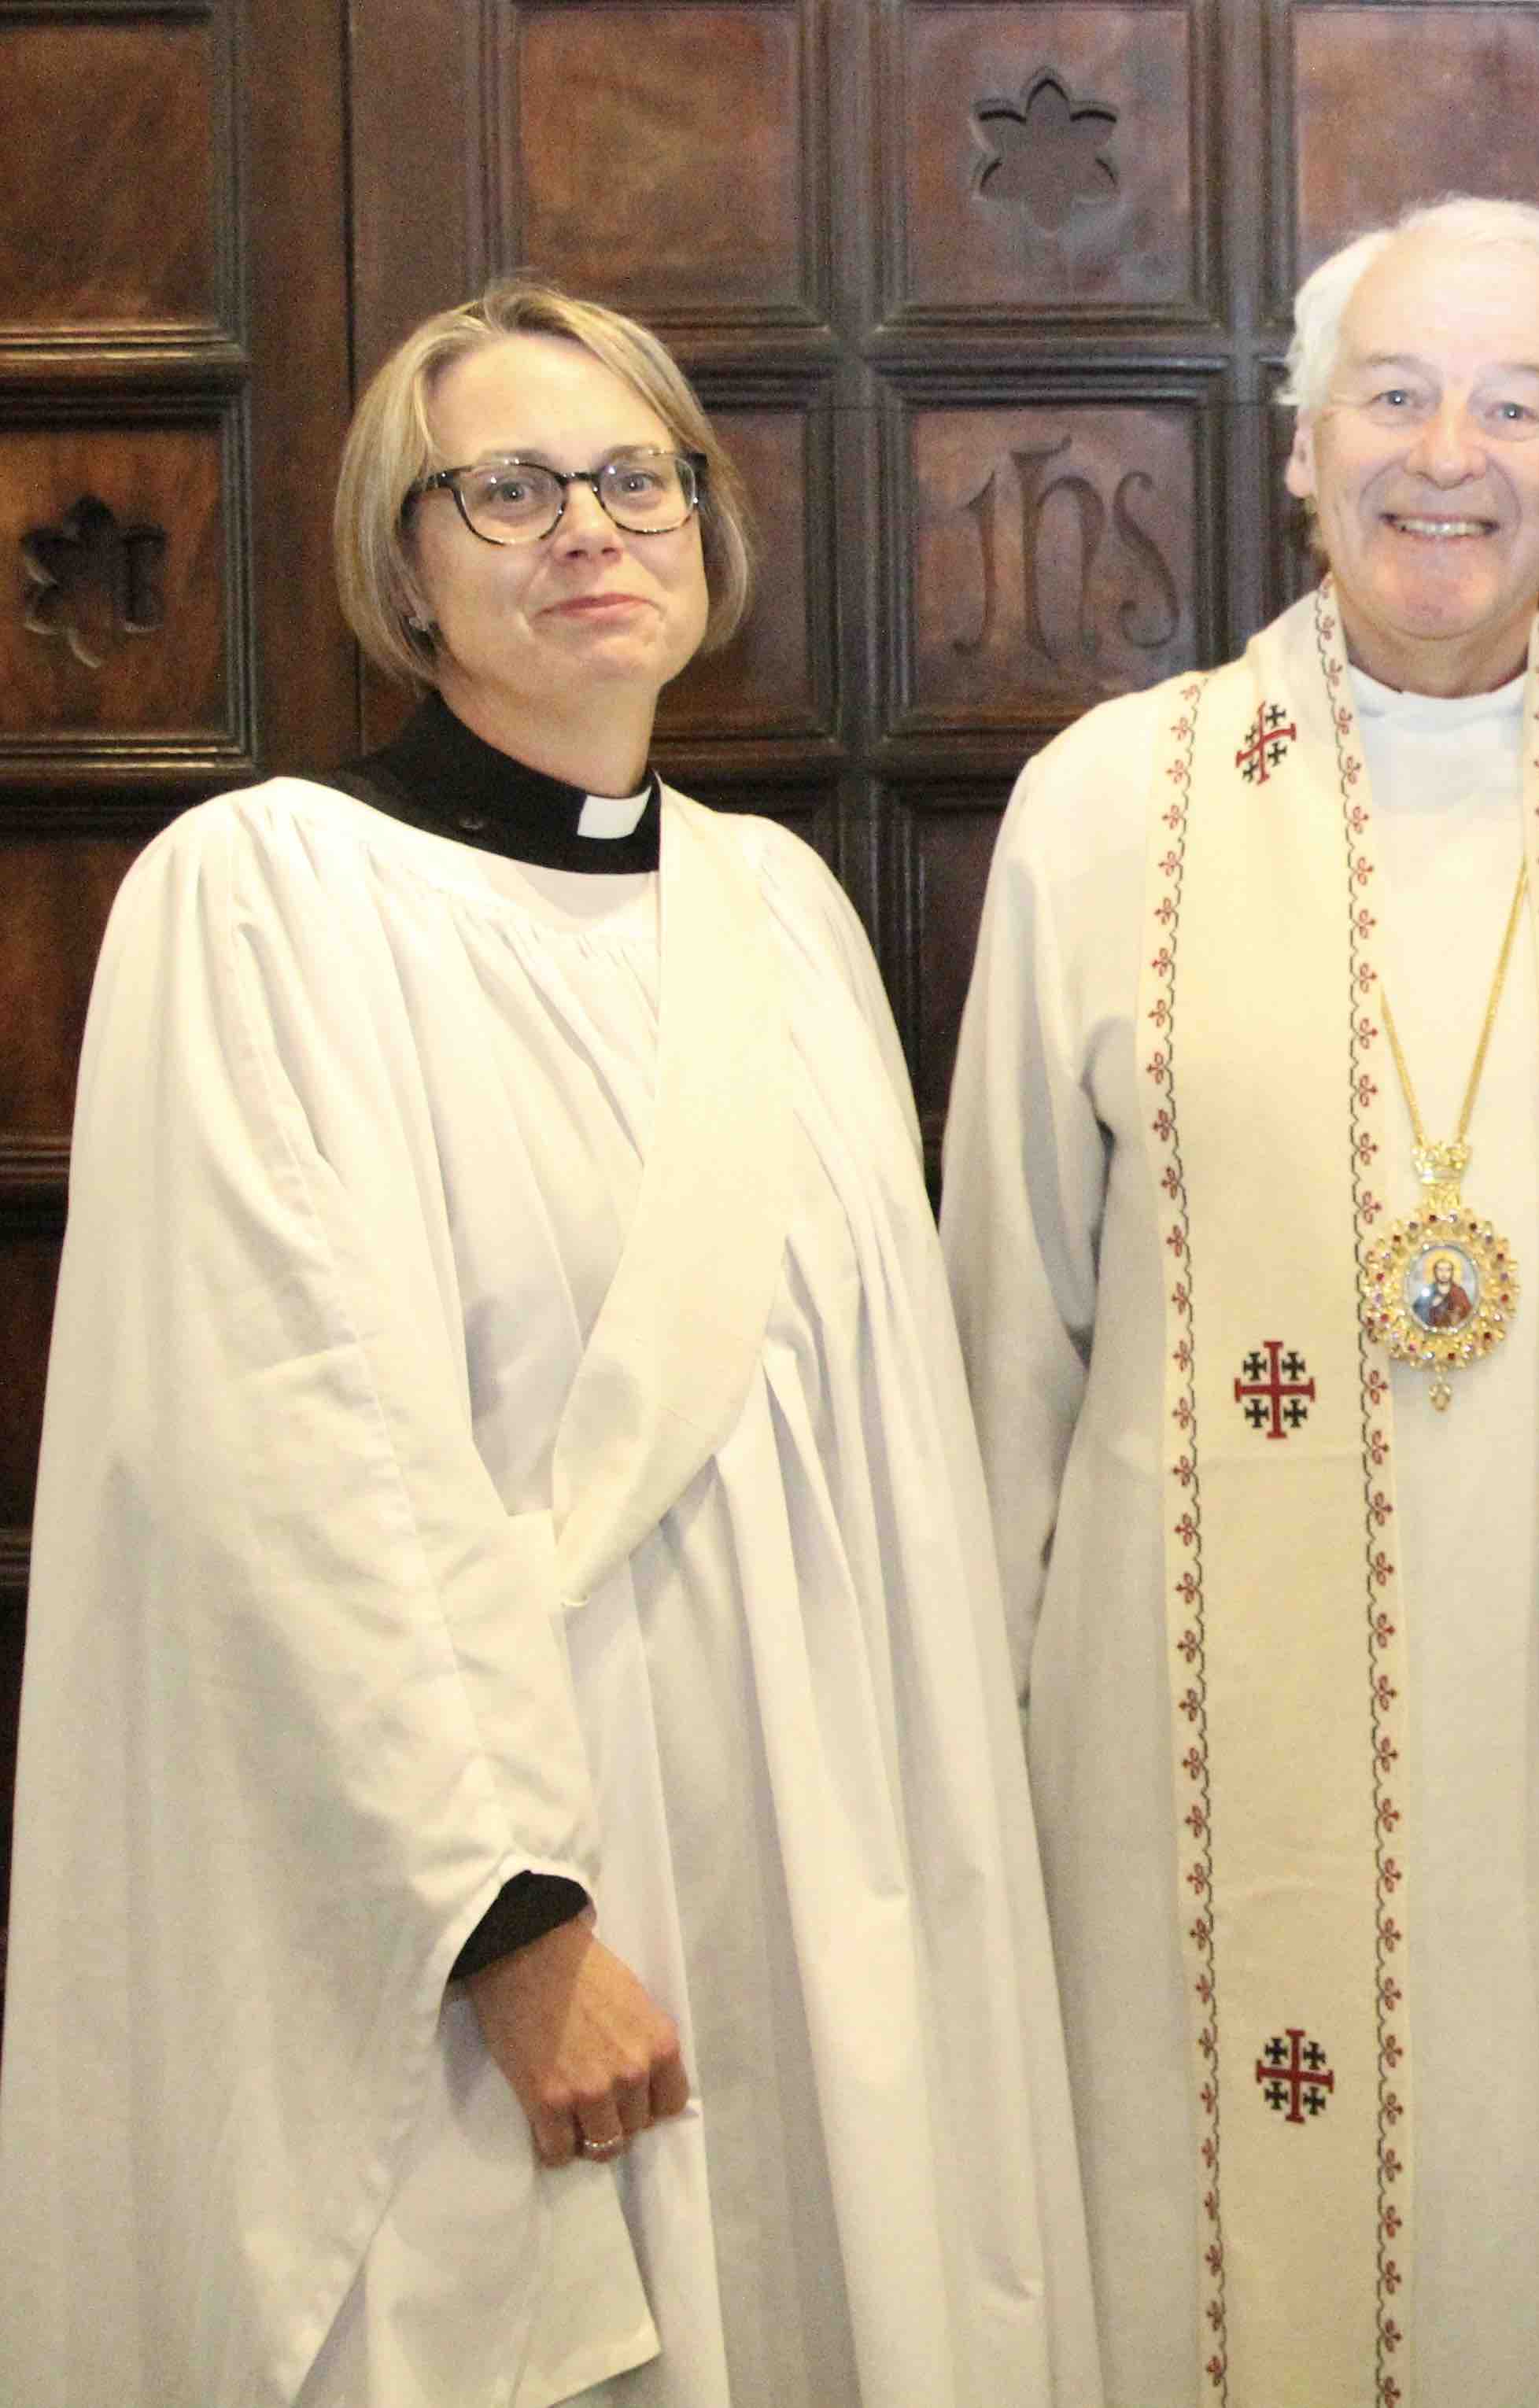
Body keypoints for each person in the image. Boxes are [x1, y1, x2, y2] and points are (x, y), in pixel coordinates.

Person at [0, 282, 1099, 2406]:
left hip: (814, 1878)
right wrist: (508, 1924)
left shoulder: (780, 910)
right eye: (501, 488)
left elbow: (874, 1460)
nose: (583, 527)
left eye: (631, 478)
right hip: (486, 1896)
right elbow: (292, 1466)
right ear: (396, 565)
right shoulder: (267, 901)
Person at [940, 194, 1539, 2405]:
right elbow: (997, 1330)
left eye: (1513, 407)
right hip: (1189, 1745)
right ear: (1297, 448)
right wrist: (959, 1775)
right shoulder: (1109, 809)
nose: (1444, 455)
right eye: (1391, 395)